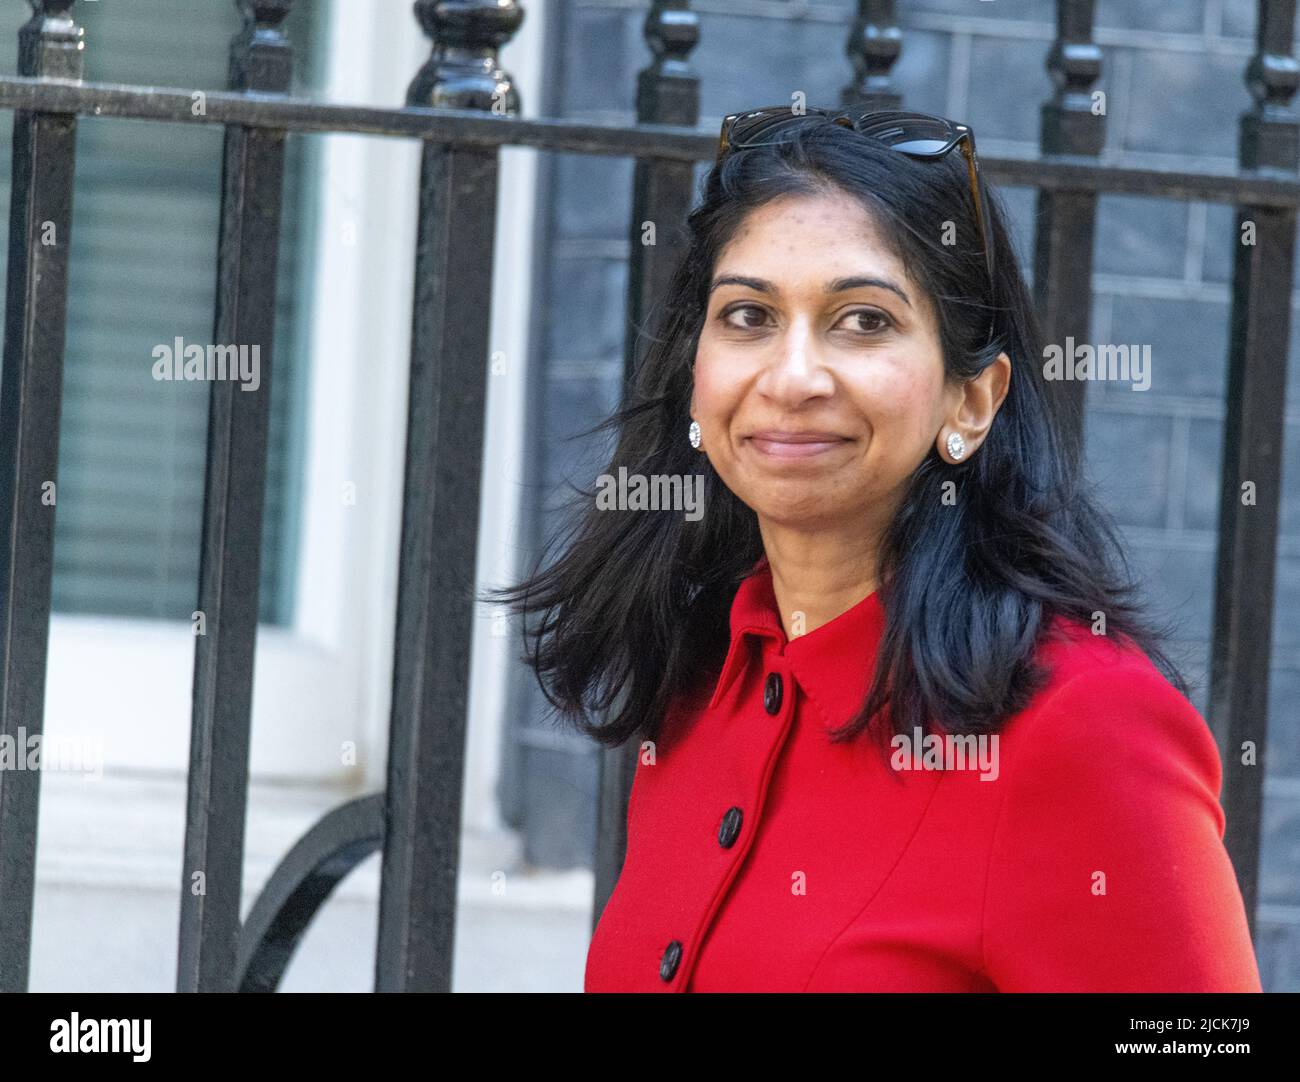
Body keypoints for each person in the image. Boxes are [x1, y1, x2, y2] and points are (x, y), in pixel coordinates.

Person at [486, 106, 1263, 992]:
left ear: (972, 401)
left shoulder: (1083, 725)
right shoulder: (703, 679)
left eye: (863, 321)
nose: (792, 377)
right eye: (748, 315)